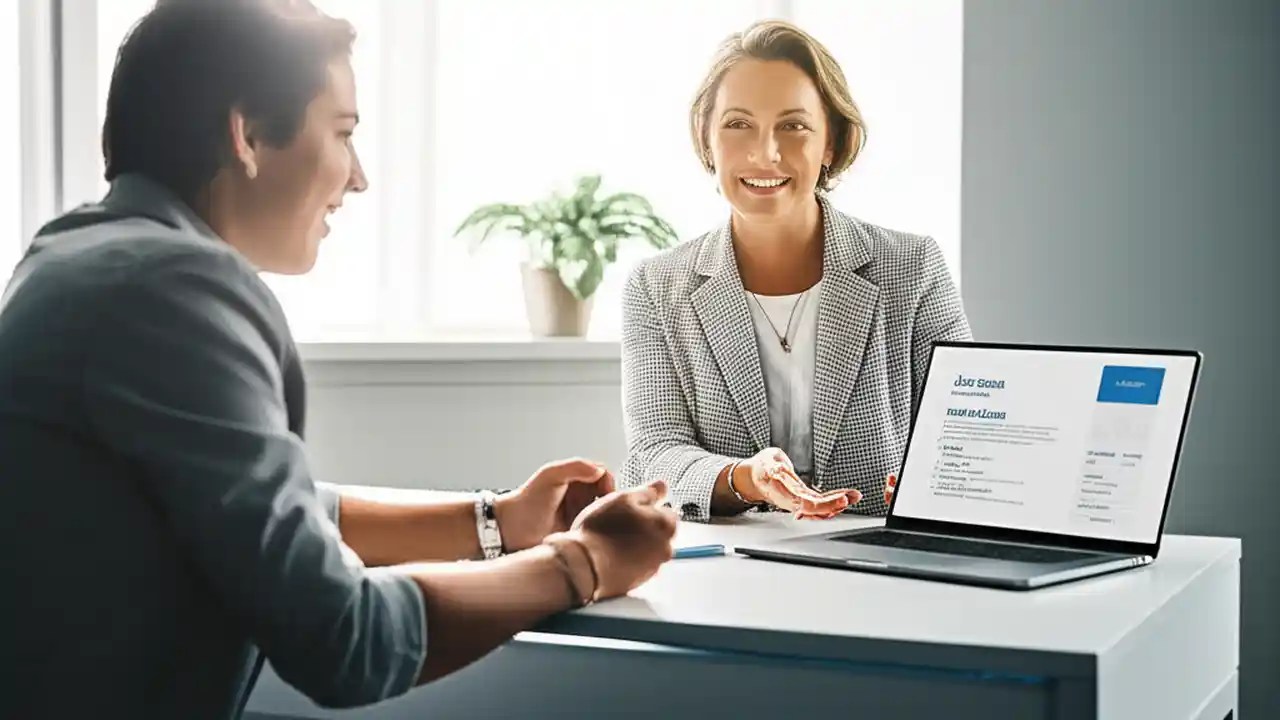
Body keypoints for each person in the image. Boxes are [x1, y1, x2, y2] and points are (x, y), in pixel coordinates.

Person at [0, 2, 676, 717]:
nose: (359, 178)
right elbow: (343, 640)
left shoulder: (75, 256)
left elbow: (274, 506)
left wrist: (498, 520)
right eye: (344, 133)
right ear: (249, 134)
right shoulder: (175, 292)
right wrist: (583, 564)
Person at [620, 20, 971, 521]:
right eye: (738, 125)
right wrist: (747, 479)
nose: (766, 153)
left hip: (881, 565)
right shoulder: (655, 287)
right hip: (731, 566)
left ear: (831, 141)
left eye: (794, 125)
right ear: (707, 138)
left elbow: (963, 435)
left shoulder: (913, 267)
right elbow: (653, 454)